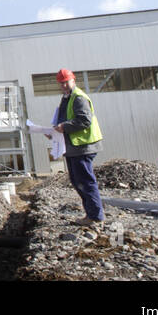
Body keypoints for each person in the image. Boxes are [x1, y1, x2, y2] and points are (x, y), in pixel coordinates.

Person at [53, 68, 105, 224]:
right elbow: (64, 120)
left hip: (83, 147)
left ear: (73, 80)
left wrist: (63, 127)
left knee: (85, 181)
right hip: (73, 148)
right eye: (61, 83)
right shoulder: (66, 98)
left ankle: (95, 217)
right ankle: (91, 214)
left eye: (66, 82)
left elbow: (84, 120)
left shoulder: (78, 98)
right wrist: (54, 131)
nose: (63, 85)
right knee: (77, 181)